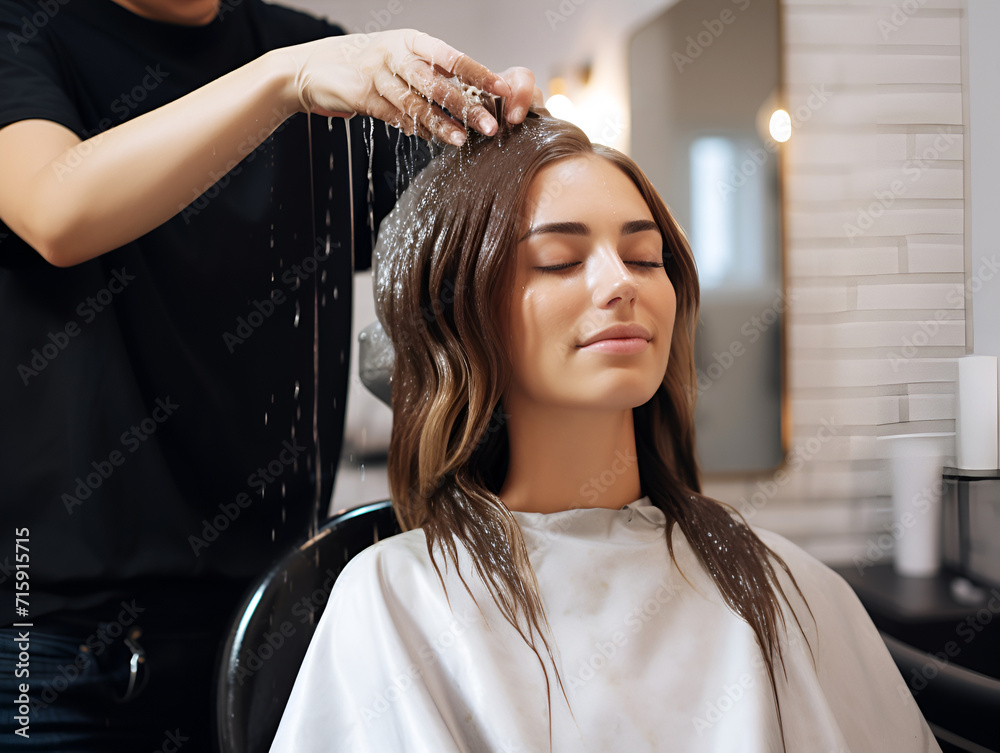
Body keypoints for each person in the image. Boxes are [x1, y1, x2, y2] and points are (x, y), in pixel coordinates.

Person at [269, 110, 942, 752]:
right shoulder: (397, 597)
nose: (622, 283)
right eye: (560, 260)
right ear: (462, 314)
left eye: (645, 257)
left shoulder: (781, 583)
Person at [0, 1, 537, 750]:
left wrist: (507, 141)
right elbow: (56, 208)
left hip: (278, 625)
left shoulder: (312, 51)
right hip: (57, 646)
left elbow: (460, 233)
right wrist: (286, 82)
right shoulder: (25, 34)